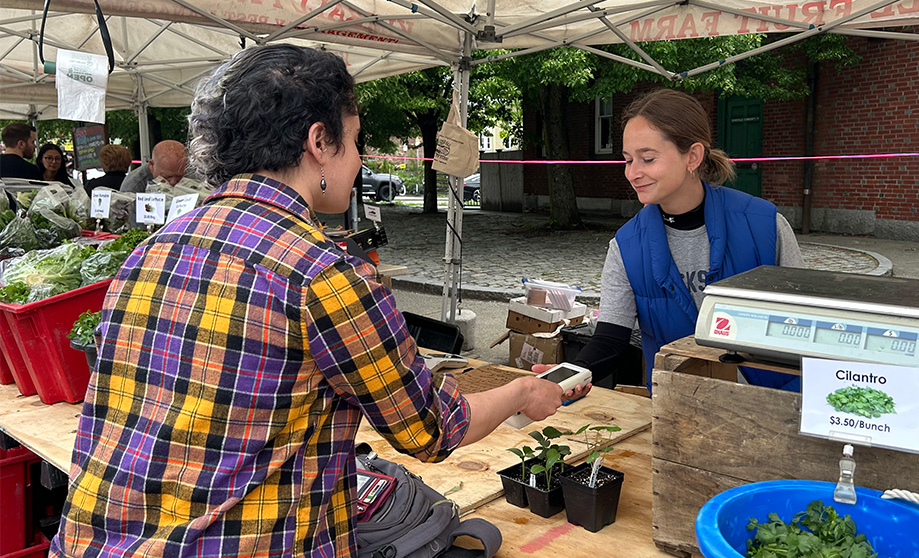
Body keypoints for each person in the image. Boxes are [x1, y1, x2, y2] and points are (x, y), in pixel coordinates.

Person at [50, 44, 588, 558]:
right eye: (353, 140)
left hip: (94, 540)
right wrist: (523, 390)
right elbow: (430, 429)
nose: (358, 159)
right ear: (319, 142)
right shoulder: (324, 273)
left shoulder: (154, 248)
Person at [554, 88, 804, 393]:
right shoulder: (626, 246)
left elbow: (806, 326)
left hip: (774, 401)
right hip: (679, 404)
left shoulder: (765, 226)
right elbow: (610, 340)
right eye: (628, 160)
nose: (632, 173)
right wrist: (572, 376)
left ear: (693, 156)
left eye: (647, 159)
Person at [119, 139, 187, 193]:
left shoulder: (191, 172)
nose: (173, 182)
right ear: (151, 165)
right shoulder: (133, 187)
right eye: (167, 177)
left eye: (179, 177)